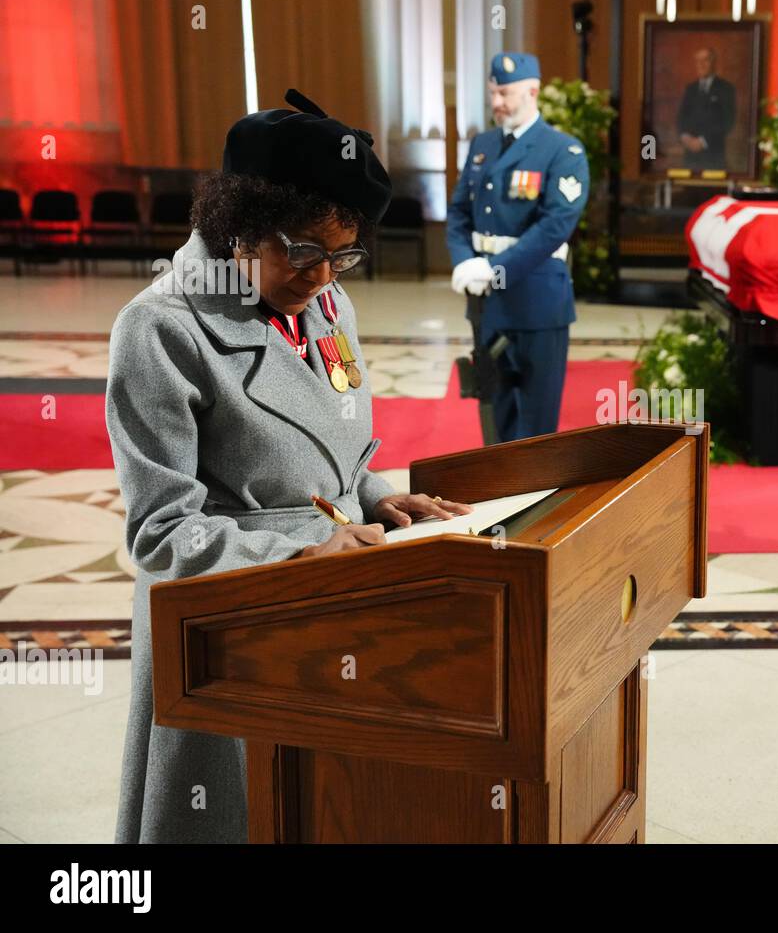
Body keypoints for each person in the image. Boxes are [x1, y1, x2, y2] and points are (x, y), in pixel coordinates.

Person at [107, 89, 472, 843]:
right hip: (229, 624)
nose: (323, 276)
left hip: (329, 604)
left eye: (344, 254)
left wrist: (374, 496)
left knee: (327, 811)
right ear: (236, 223)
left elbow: (331, 444)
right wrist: (302, 550)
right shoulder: (162, 328)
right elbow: (161, 536)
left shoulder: (325, 300)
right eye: (303, 250)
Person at [447, 51, 589, 443]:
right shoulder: (483, 145)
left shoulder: (563, 151)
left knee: (536, 419)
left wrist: (495, 268)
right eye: (492, 92)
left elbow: (555, 226)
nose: (496, 103)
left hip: (537, 299)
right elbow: (459, 212)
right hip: (486, 302)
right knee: (494, 408)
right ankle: (500, 494)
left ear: (532, 91)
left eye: (505, 93)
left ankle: (536, 499)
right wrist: (463, 261)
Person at [675, 47, 736, 171]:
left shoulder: (726, 88)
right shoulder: (690, 89)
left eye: (705, 60)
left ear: (713, 63)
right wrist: (685, 138)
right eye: (698, 61)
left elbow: (728, 121)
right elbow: (681, 118)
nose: (701, 65)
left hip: (713, 157)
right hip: (690, 158)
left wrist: (702, 141)